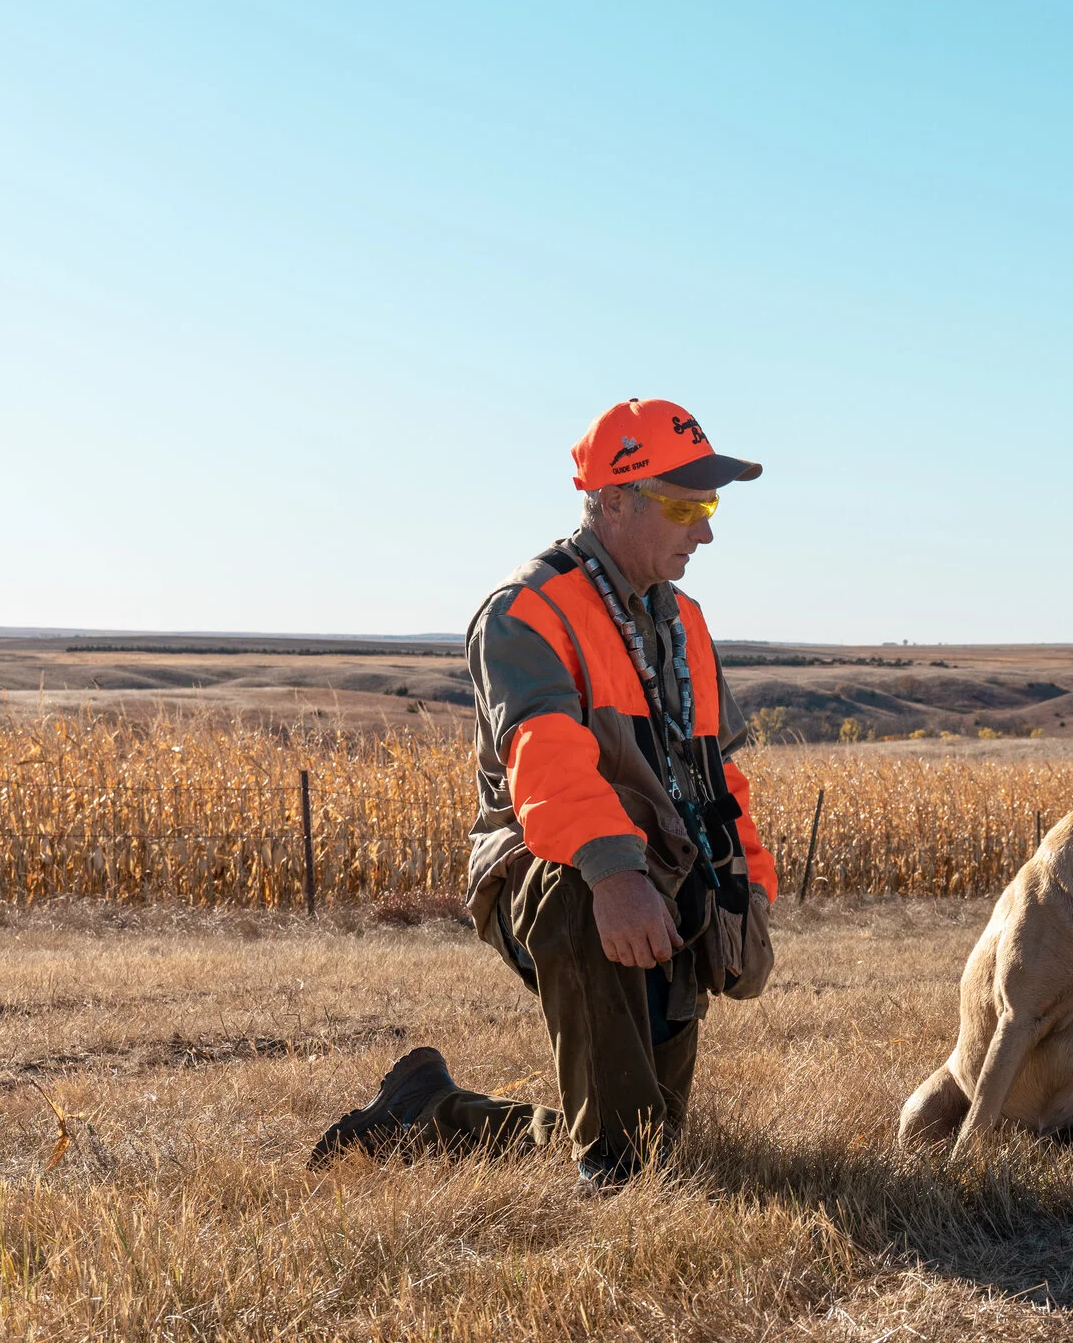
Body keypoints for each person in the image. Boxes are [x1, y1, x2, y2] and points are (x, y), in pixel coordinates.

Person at [310, 396, 779, 1188]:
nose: (705, 529)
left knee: (652, 1136)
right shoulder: (528, 611)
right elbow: (546, 761)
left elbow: (716, 777)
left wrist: (750, 887)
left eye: (711, 503)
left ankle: (428, 1110)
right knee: (631, 1160)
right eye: (686, 503)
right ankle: (611, 1173)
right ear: (616, 500)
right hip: (553, 872)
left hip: (659, 880)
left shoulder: (685, 623)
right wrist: (618, 877)